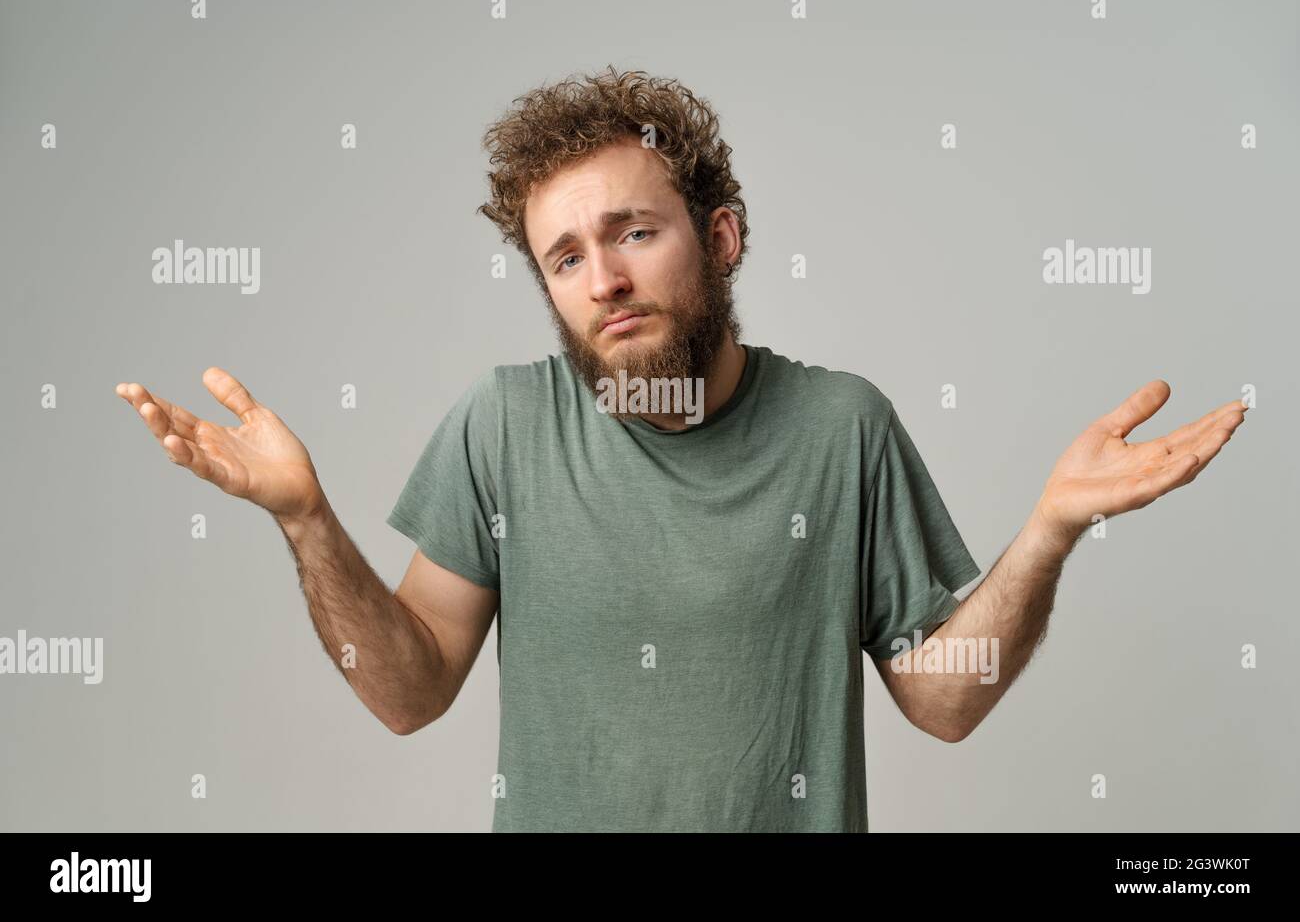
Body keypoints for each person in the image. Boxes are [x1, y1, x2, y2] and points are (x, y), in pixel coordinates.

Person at [115, 66, 1247, 832]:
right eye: (562, 257)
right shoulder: (502, 426)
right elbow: (409, 693)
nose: (600, 277)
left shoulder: (842, 426)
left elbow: (941, 701)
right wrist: (307, 521)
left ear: (720, 236)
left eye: (632, 232)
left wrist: (1050, 528)